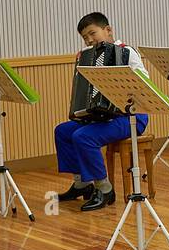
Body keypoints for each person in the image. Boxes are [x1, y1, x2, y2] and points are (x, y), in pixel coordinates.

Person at [54, 13, 149, 211]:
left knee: (83, 136)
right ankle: (82, 183)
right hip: (104, 117)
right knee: (62, 131)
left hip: (131, 116)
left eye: (92, 33)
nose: (89, 40)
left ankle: (104, 188)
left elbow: (144, 84)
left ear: (108, 30)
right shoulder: (88, 56)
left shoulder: (126, 52)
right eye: (84, 37)